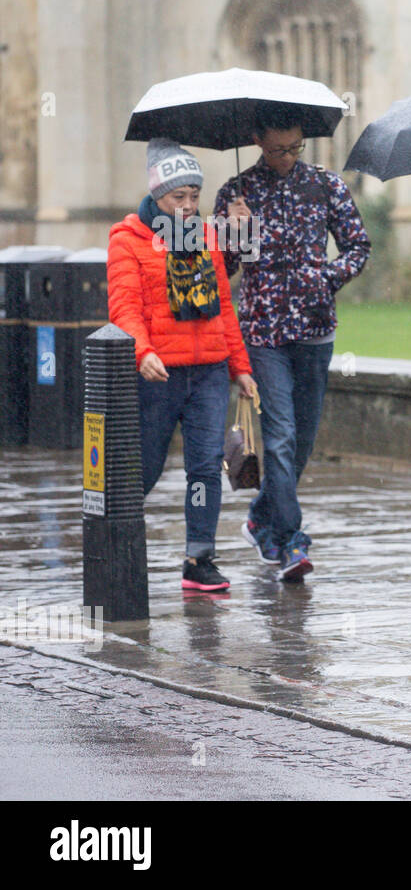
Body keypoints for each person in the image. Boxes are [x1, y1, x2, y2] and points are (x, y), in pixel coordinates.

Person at [214, 103, 371, 581]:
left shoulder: (325, 185)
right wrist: (233, 233)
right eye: (278, 148)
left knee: (300, 443)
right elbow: (224, 269)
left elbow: (358, 246)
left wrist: (326, 276)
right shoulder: (236, 192)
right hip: (263, 332)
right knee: (279, 437)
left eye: (295, 148)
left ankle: (262, 519)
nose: (286, 156)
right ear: (258, 140)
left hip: (316, 328)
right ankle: (292, 542)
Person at [107, 138, 257, 592]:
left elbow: (224, 308)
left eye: (195, 195)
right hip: (158, 373)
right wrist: (142, 350)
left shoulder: (207, 236)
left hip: (210, 371)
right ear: (157, 195)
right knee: (145, 465)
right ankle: (113, 542)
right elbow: (125, 307)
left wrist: (240, 366)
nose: (190, 206)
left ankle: (199, 558)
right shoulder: (127, 239)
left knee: (206, 467)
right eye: (179, 197)